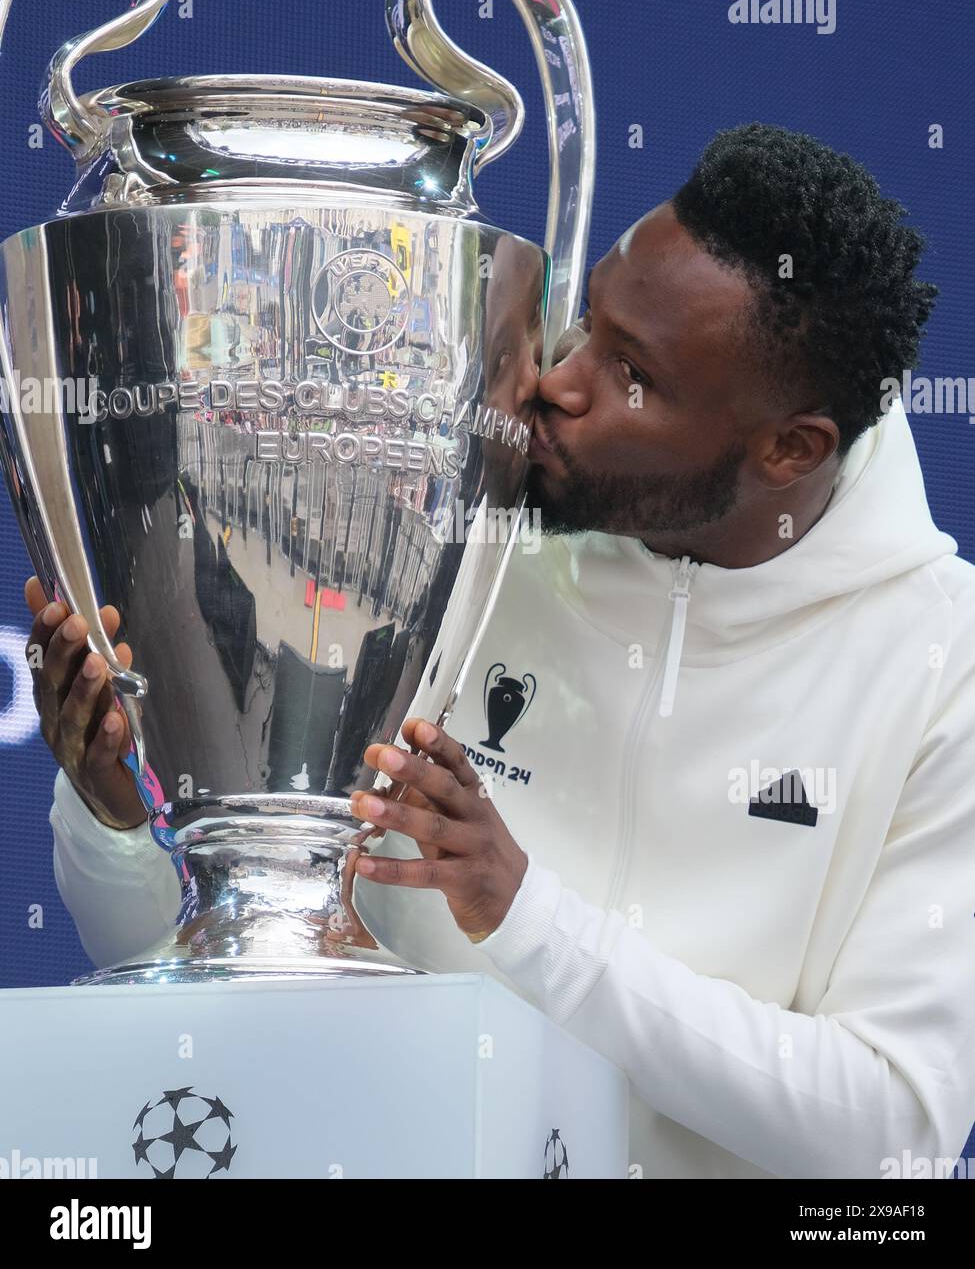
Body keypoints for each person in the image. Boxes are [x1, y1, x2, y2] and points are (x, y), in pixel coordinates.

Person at [28, 123, 975, 1179]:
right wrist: (118, 814)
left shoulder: (945, 662)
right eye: (585, 323)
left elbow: (892, 1130)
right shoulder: (447, 524)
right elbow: (186, 971)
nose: (559, 383)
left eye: (634, 377)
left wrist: (529, 919)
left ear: (789, 449)